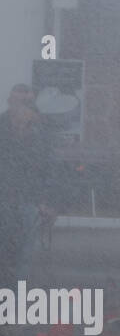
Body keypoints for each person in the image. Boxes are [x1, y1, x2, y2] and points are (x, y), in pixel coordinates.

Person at [0, 84, 55, 291]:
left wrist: (48, 202)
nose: (21, 108)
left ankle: (14, 301)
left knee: (23, 254)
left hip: (30, 202)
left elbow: (49, 169)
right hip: (3, 200)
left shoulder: (41, 132)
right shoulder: (1, 127)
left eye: (26, 103)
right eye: (17, 102)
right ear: (10, 103)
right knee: (4, 252)